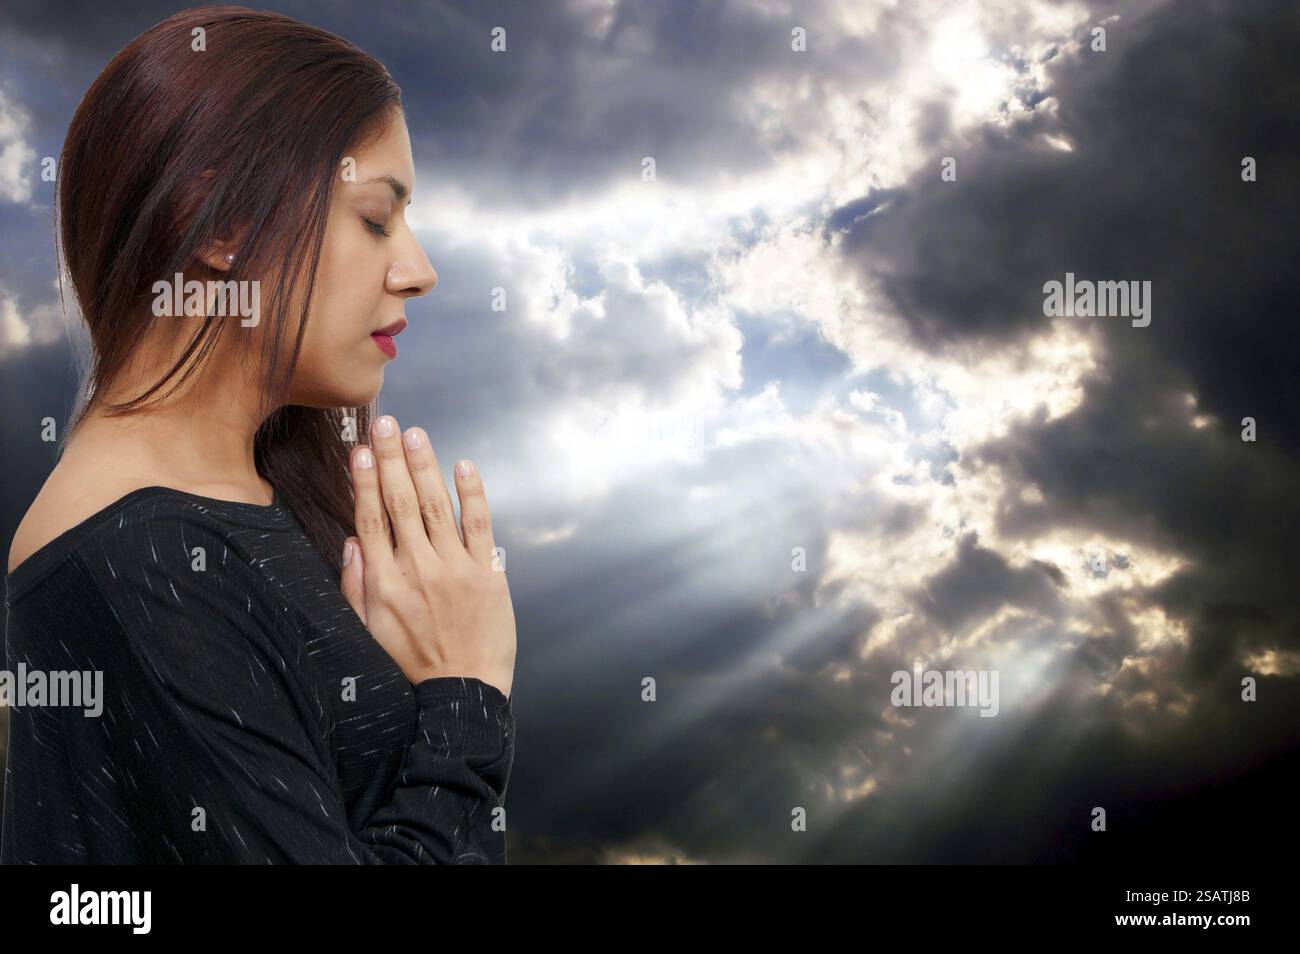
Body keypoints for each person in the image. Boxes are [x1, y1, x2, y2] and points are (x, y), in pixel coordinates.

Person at [1, 5, 518, 864]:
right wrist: (466, 695)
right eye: (375, 218)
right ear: (218, 225)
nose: (420, 270)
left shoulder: (245, 502)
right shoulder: (144, 555)